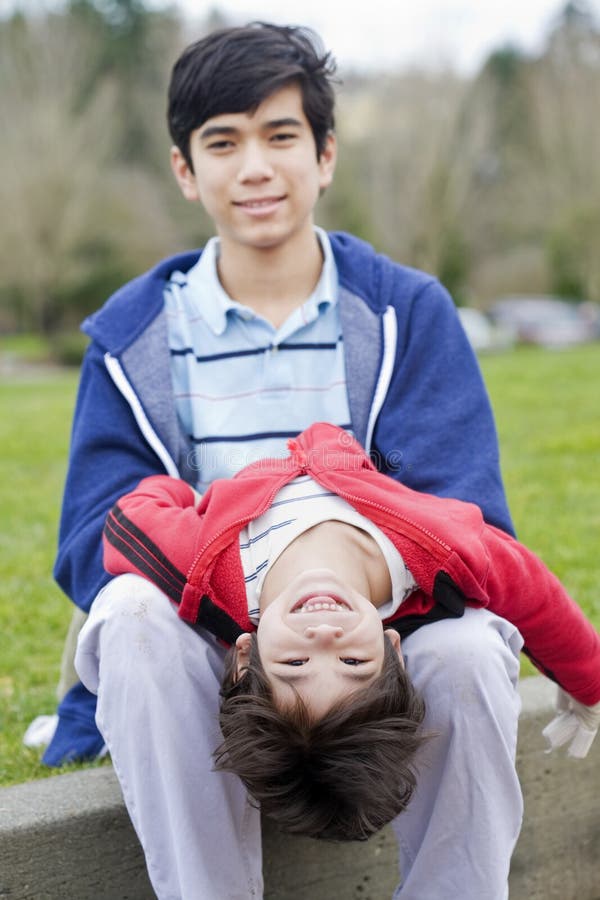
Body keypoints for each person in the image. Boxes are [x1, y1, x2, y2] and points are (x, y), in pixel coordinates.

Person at [35, 20, 578, 900]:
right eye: (223, 142)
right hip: (207, 622)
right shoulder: (135, 335)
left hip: (373, 625)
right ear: (186, 170)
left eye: (281, 135)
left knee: (474, 654)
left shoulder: (405, 311)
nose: (255, 167)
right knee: (130, 617)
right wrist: (240, 610)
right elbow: (93, 531)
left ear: (325, 155)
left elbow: (469, 512)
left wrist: (356, 623)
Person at [81, 422, 600, 843]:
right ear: (394, 650)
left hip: (252, 472)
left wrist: (177, 492)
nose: (324, 639)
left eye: (294, 665)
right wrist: (591, 684)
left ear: (245, 655)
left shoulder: (205, 570)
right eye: (354, 664)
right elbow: (533, 594)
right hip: (345, 456)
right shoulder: (443, 553)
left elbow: (129, 524)